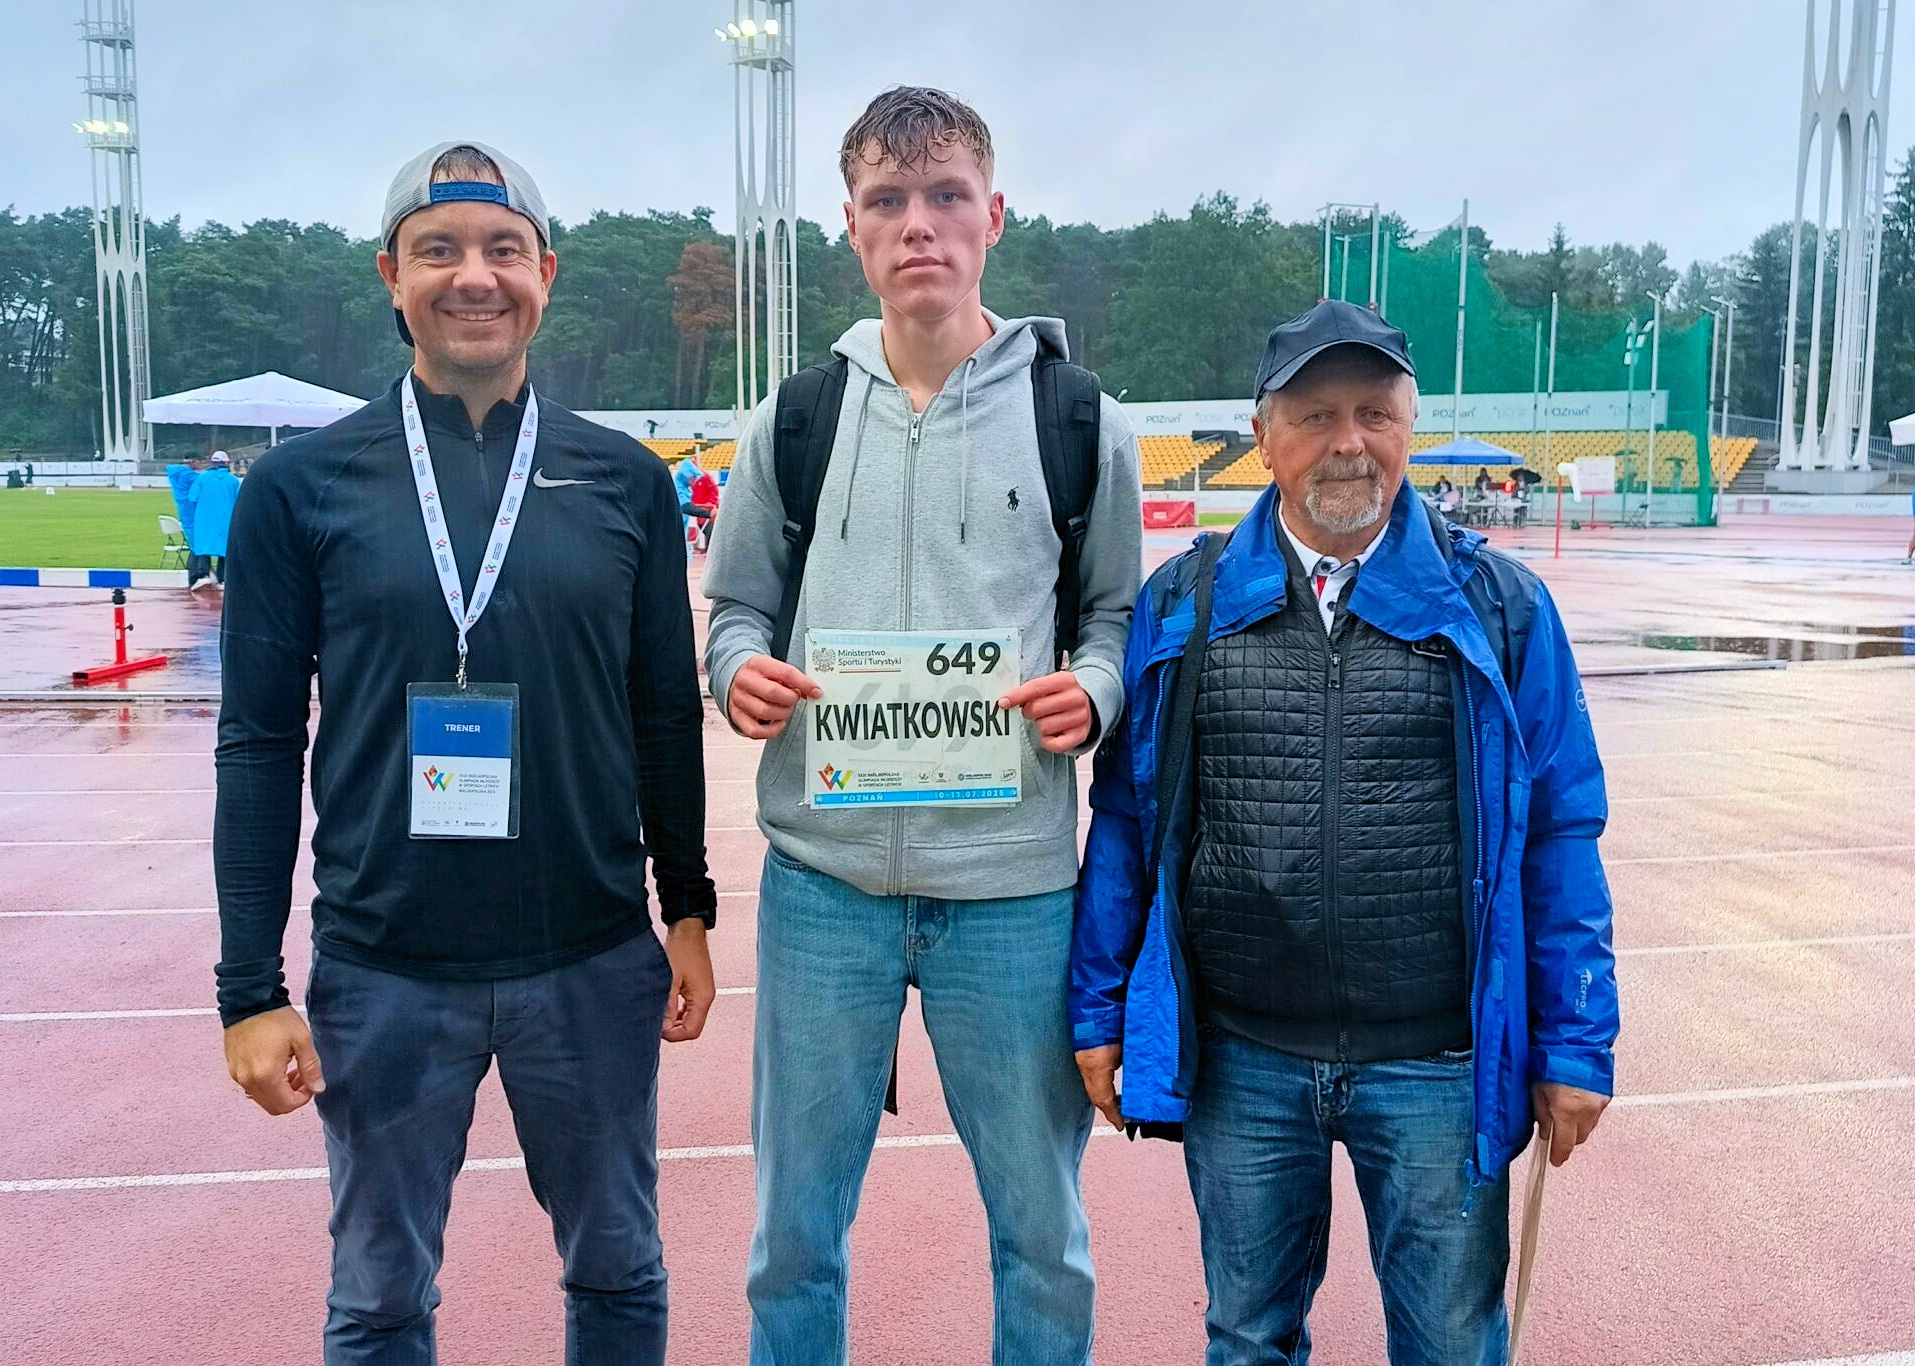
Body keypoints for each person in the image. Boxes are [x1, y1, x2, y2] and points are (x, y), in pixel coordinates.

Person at [214, 140, 717, 1366]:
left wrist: (686, 906)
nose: (472, 276)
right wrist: (248, 984)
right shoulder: (298, 487)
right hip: (385, 971)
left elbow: (662, 707)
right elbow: (259, 740)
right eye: (438, 250)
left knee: (618, 1272)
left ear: (545, 272)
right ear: (393, 276)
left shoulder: (625, 481)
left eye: (501, 250)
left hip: (590, 960)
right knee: (379, 1298)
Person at [1071, 300, 1618, 1366]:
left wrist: (1575, 1039)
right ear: (1263, 433)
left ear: (1408, 425)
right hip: (1241, 1057)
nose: (1349, 443)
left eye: (1375, 412)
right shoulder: (1182, 602)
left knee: (1453, 1344)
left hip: (1437, 1060)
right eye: (1316, 415)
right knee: (1246, 1337)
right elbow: (1132, 823)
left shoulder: (1500, 607)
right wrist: (1099, 1006)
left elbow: (1559, 830)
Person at [703, 86, 1143, 1365]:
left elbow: (1113, 614)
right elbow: (732, 611)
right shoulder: (794, 420)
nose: (920, 227)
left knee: (1042, 1238)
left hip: (1008, 894)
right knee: (792, 1237)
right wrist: (740, 674)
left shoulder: (1078, 420)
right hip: (824, 886)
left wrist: (1096, 689)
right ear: (852, 228)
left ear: (993, 215)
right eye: (888, 202)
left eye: (946, 196)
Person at [189, 451, 240, 589]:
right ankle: (223, 578)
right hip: (226, 519)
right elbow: (239, 500)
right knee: (225, 547)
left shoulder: (202, 478)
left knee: (204, 545)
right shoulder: (233, 480)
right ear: (226, 463)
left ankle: (203, 574)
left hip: (204, 518)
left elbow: (192, 497)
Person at [166, 454, 205, 581]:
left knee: (195, 543)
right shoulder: (189, 476)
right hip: (191, 511)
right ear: (193, 461)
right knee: (197, 544)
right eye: (199, 462)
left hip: (184, 511)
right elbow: (204, 480)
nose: (200, 465)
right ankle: (195, 573)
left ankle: (195, 571)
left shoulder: (177, 473)